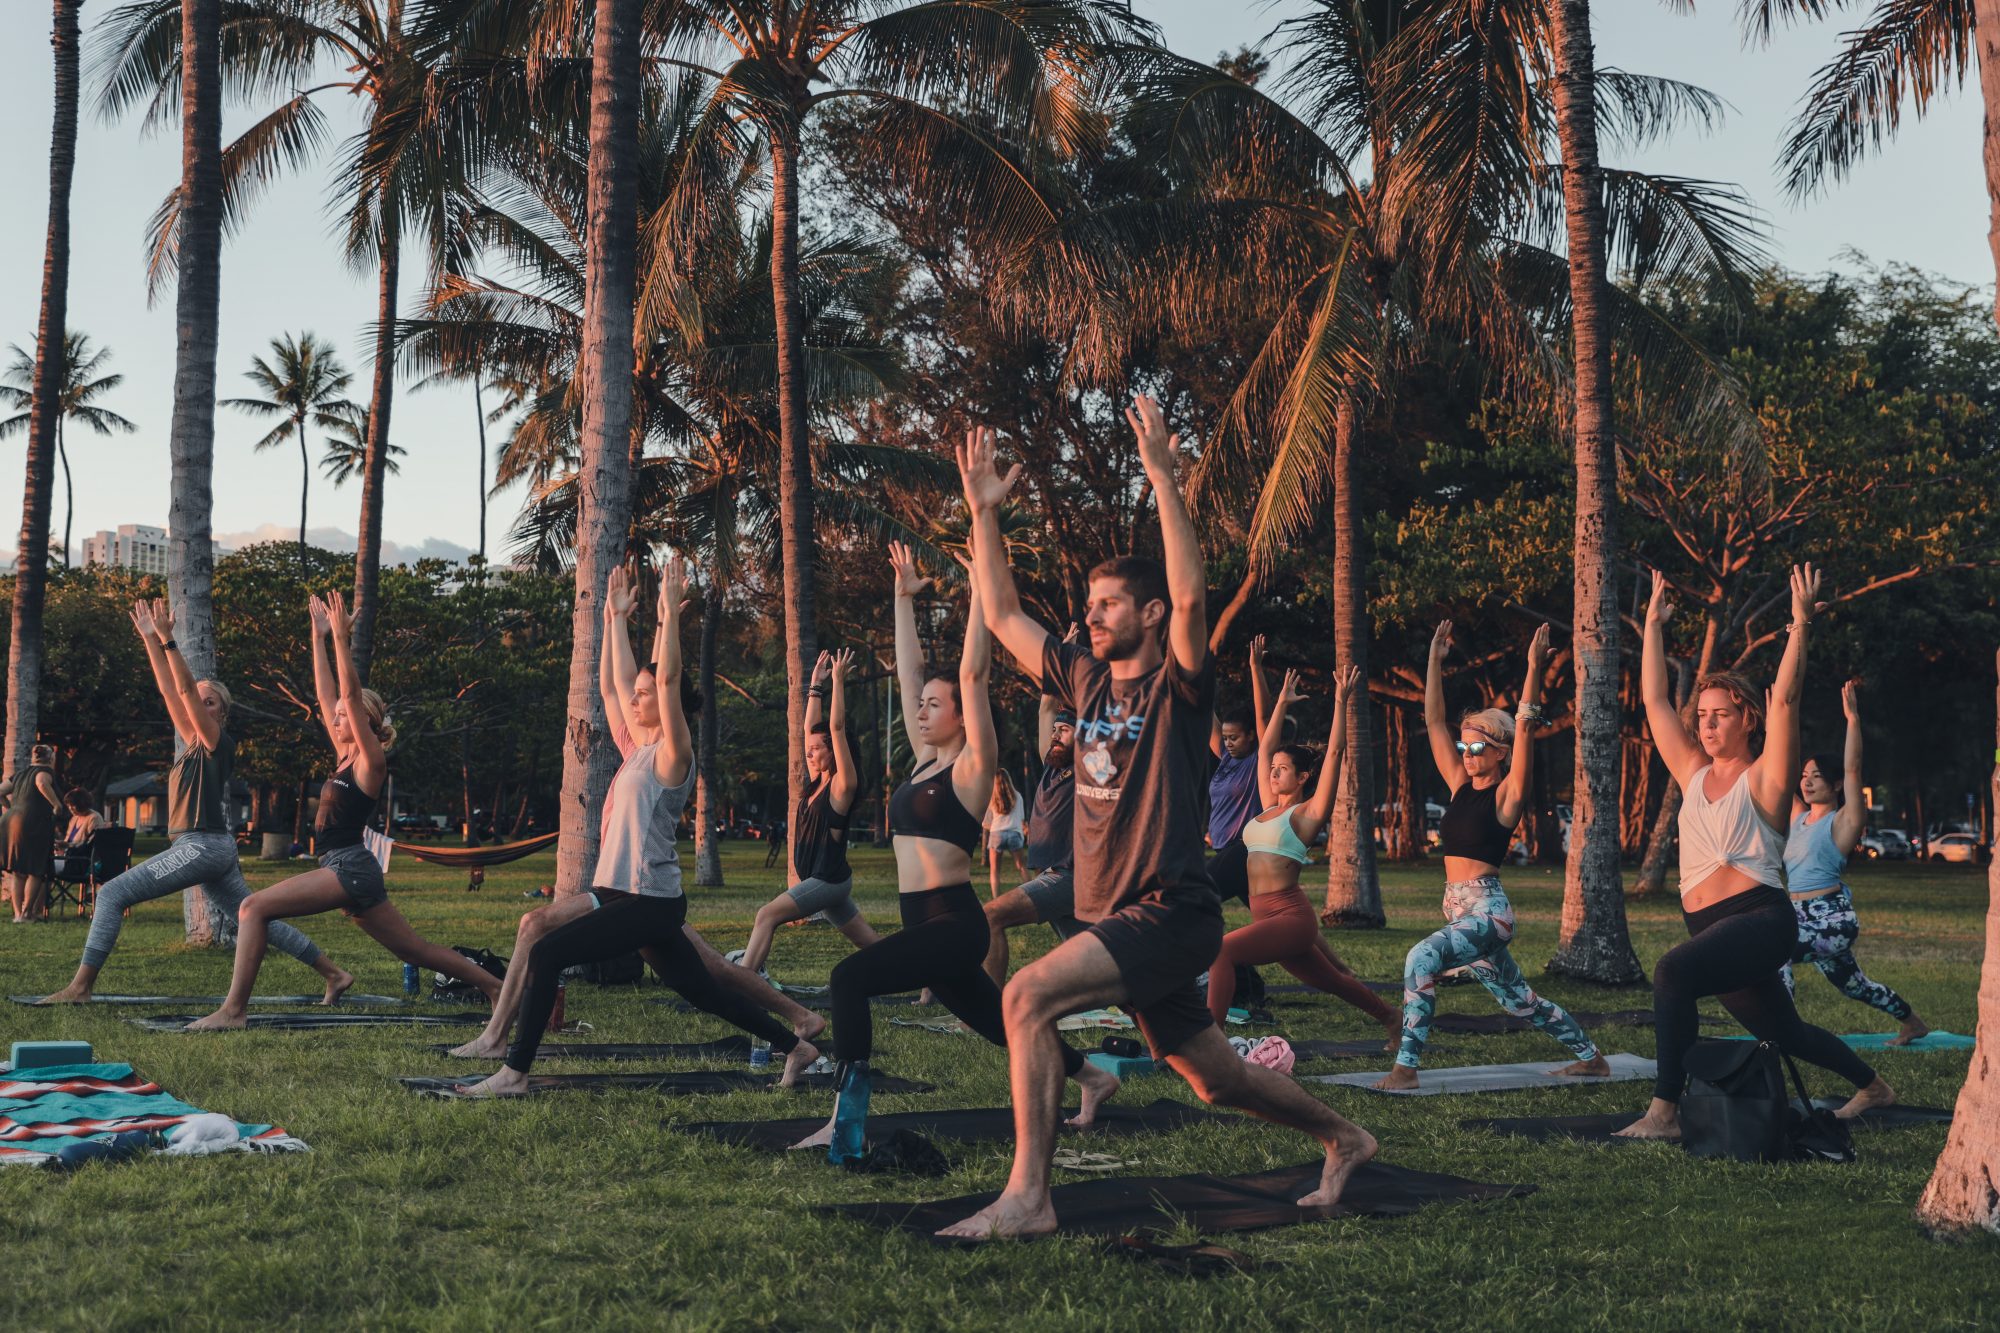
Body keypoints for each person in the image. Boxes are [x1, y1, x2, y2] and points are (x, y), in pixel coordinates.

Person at [942, 402, 1377, 1241]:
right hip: (1123, 919)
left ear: (1144, 616)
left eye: (1109, 604)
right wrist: (984, 512)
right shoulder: (1084, 681)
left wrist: (1165, 483)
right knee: (1218, 1079)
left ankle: (1030, 1198)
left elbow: (1188, 592)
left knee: (1026, 995)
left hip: (1168, 912)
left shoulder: (1177, 690)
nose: (1093, 614)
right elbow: (1001, 616)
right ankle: (1344, 1134)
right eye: (1092, 603)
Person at [792, 540, 1116, 1158]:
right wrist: (902, 597)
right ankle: (1092, 1076)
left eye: (934, 705)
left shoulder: (971, 769)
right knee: (1001, 1024)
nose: (921, 707)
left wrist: (975, 598)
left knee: (847, 979)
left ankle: (845, 1121)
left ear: (963, 716)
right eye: (921, 704)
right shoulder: (922, 763)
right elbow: (910, 670)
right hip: (929, 924)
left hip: (953, 922)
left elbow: (972, 673)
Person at [465, 558, 818, 1095]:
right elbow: (614, 685)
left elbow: (668, 679)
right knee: (704, 992)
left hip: (647, 901)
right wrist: (615, 619)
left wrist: (669, 623)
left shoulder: (672, 756)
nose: (636, 698)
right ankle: (799, 1045)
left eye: (646, 695)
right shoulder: (636, 750)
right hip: (625, 895)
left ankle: (515, 1070)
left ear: (668, 704)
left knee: (547, 953)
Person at [1617, 568, 1896, 1138]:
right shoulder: (1693, 774)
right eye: (1703, 716)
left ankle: (1664, 1112)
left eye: (1721, 714)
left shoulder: (1767, 780)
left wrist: (1799, 623)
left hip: (1759, 919)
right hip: (1712, 928)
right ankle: (1874, 1087)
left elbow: (1787, 698)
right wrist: (1651, 628)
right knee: (1785, 1033)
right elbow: (1653, 699)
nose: (1708, 724)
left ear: (1748, 716)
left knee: (1672, 971)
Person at [185, 593, 500, 1029]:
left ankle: (233, 1011)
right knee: (414, 951)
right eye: (333, 717)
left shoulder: (371, 762)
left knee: (253, 909)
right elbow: (327, 693)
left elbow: (348, 694)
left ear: (366, 722)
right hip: (348, 868)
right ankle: (496, 988)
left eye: (343, 716)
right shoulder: (344, 755)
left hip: (349, 867)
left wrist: (341, 639)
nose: (334, 719)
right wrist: (318, 638)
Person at [38, 599, 353, 1006]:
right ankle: (334, 973)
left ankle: (80, 987)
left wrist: (169, 637)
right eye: (200, 701)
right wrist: (151, 640)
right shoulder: (191, 746)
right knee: (252, 917)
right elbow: (172, 690)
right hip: (209, 848)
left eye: (210, 702)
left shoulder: (215, 743)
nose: (199, 704)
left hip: (200, 846)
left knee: (113, 893)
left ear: (221, 714)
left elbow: (184, 688)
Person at [1375, 623, 1607, 1089]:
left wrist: (1534, 667)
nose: (1466, 752)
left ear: (1499, 751)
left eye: (1476, 746)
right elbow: (1434, 720)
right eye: (1464, 746)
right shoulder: (1459, 787)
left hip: (1487, 911)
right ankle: (1591, 1058)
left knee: (1421, 959)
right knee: (1518, 1000)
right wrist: (1435, 663)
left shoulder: (1506, 796)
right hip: (1458, 907)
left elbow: (1524, 726)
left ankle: (1406, 1070)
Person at [1204, 667, 1402, 1045]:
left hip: (1289, 916)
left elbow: (1336, 754)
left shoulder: (1306, 816)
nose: (1274, 774)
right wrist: (1280, 701)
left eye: (1283, 770)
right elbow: (1263, 749)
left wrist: (1342, 704)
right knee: (1331, 981)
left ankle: (1212, 1041)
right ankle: (1392, 1017)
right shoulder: (1266, 808)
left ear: (1302, 778)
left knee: (1222, 952)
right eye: (1273, 770)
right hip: (1269, 916)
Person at [1783, 679, 1928, 1044]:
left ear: (1833, 786)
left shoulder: (1844, 822)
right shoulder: (1797, 818)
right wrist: (1778, 721)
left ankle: (1780, 1034)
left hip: (1831, 917)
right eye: (1805, 776)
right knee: (1855, 987)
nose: (1807, 781)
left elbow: (1853, 770)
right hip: (1798, 915)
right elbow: (1781, 769)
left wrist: (1852, 720)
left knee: (1774, 955)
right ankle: (1913, 1023)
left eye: (1817, 776)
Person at [733, 648, 881, 978]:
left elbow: (837, 727)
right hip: (827, 886)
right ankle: (928, 979)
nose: (810, 754)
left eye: (818, 750)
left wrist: (839, 683)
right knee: (873, 945)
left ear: (835, 751)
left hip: (827, 881)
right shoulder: (817, 782)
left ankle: (743, 983)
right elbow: (808, 731)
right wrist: (815, 686)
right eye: (810, 750)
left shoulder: (843, 786)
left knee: (766, 915)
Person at [982, 672, 1081, 986]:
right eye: (1055, 730)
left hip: (1071, 875)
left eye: (1064, 730)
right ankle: (1173, 990)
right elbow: (1046, 708)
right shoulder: (1053, 768)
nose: (1055, 735)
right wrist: (1056, 665)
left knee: (990, 916)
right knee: (1090, 957)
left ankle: (988, 1010)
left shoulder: (1089, 770)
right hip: (1053, 872)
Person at [1203, 635, 1271, 906]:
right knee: (1273, 916)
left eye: (1235, 737)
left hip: (1243, 850)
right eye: (1226, 737)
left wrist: (1255, 668)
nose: (1228, 742)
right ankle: (1300, 947)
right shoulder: (1226, 758)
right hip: (1223, 851)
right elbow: (1204, 712)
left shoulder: (1259, 759)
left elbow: (1263, 715)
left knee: (1195, 896)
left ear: (1252, 737)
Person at [3, 745, 63, 923]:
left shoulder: (20, 774)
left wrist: (12, 809)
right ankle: (28, 913)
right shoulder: (45, 771)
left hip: (12, 825)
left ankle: (17, 915)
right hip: (35, 824)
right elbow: (41, 782)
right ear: (50, 758)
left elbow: (0, 791)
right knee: (36, 869)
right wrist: (56, 805)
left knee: (18, 870)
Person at [984, 769, 1027, 898]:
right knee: (1022, 867)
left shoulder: (991, 797)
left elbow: (986, 823)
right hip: (1014, 833)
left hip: (997, 834)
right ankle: (1031, 896)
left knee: (995, 870)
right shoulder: (1018, 796)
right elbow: (1021, 819)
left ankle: (996, 899)